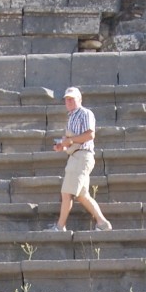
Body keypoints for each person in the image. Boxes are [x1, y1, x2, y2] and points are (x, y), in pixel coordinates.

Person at [51, 86, 113, 232]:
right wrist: (62, 146)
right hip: (76, 156)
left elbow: (90, 135)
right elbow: (74, 142)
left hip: (82, 156)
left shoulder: (85, 113)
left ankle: (60, 227)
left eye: (72, 99)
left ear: (80, 99)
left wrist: (70, 141)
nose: (69, 102)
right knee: (82, 195)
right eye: (67, 99)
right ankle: (103, 224)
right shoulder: (71, 117)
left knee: (67, 193)